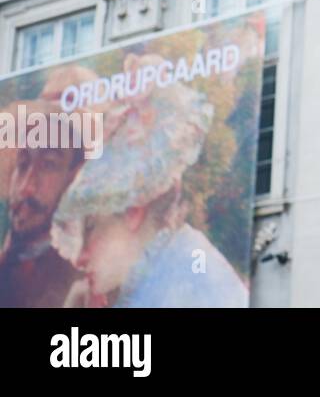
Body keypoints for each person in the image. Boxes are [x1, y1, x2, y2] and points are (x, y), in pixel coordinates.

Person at [51, 79, 247, 307]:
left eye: (91, 228)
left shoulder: (188, 276)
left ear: (133, 212)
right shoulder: (169, 268)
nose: (79, 258)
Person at [0, 77, 92, 307]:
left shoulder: (86, 284)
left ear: (75, 176)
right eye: (22, 165)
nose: (26, 188)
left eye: (49, 165)